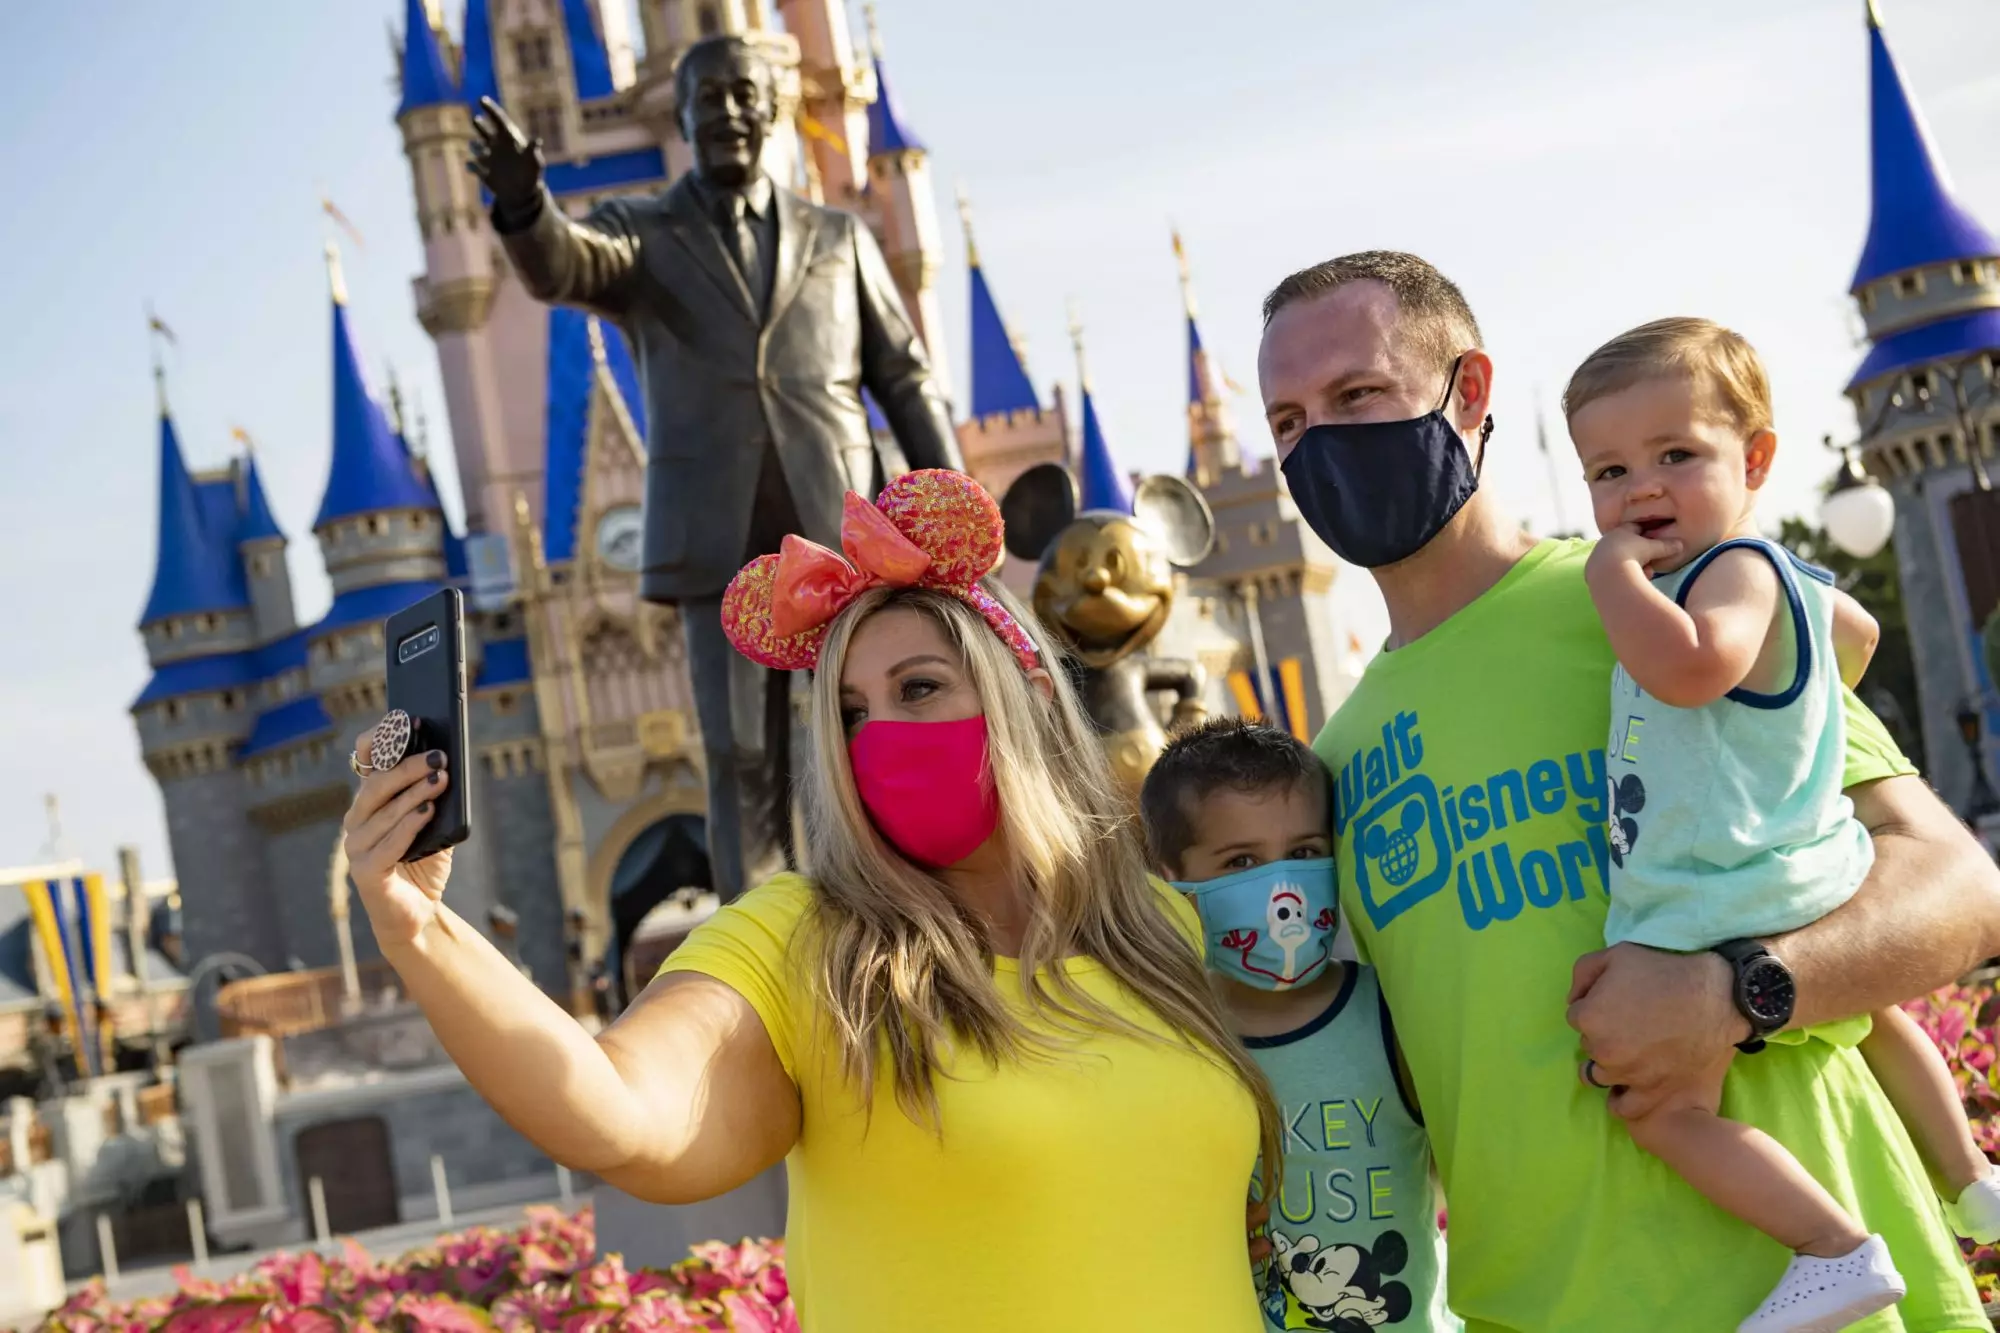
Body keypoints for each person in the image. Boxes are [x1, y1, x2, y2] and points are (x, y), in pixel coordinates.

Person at [340, 469, 1280, 1331]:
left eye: (920, 687)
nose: (882, 736)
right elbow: (616, 1110)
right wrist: (419, 928)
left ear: (1024, 697)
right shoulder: (808, 941)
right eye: (850, 714)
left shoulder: (1174, 930)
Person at [1256, 250, 2000, 1331]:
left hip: (1819, 1299)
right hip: (1539, 1308)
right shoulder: (1327, 763)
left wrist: (1740, 993)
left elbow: (1956, 886)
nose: (1319, 440)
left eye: (1356, 395)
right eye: (1286, 422)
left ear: (1467, 394)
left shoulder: (1669, 601)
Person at [1564, 316, 2000, 1330]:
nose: (1639, 490)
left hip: (1724, 883)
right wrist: (1805, 695)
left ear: (1754, 458)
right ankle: (1967, 1173)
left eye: (1675, 455)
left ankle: (1831, 1249)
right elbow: (1855, 632)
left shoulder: (1730, 571)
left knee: (1663, 1107)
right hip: (1799, 860)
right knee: (1873, 1013)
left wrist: (1606, 577)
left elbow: (1685, 670)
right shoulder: (1791, 581)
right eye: (1608, 470)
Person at [467, 36, 963, 902]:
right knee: (740, 749)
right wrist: (523, 206)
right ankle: (772, 935)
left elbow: (906, 378)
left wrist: (954, 508)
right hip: (718, 539)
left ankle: (900, 904)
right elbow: (564, 264)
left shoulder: (838, 238)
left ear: (770, 110)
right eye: (708, 97)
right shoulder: (644, 231)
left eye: (744, 94)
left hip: (848, 539)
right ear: (682, 114)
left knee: (864, 731)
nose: (728, 112)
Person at [1143, 719, 1457, 1332]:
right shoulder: (1166, 1040)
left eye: (1305, 853)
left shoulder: (1391, 1015)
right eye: (1241, 860)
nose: (1283, 885)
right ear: (1170, 883)